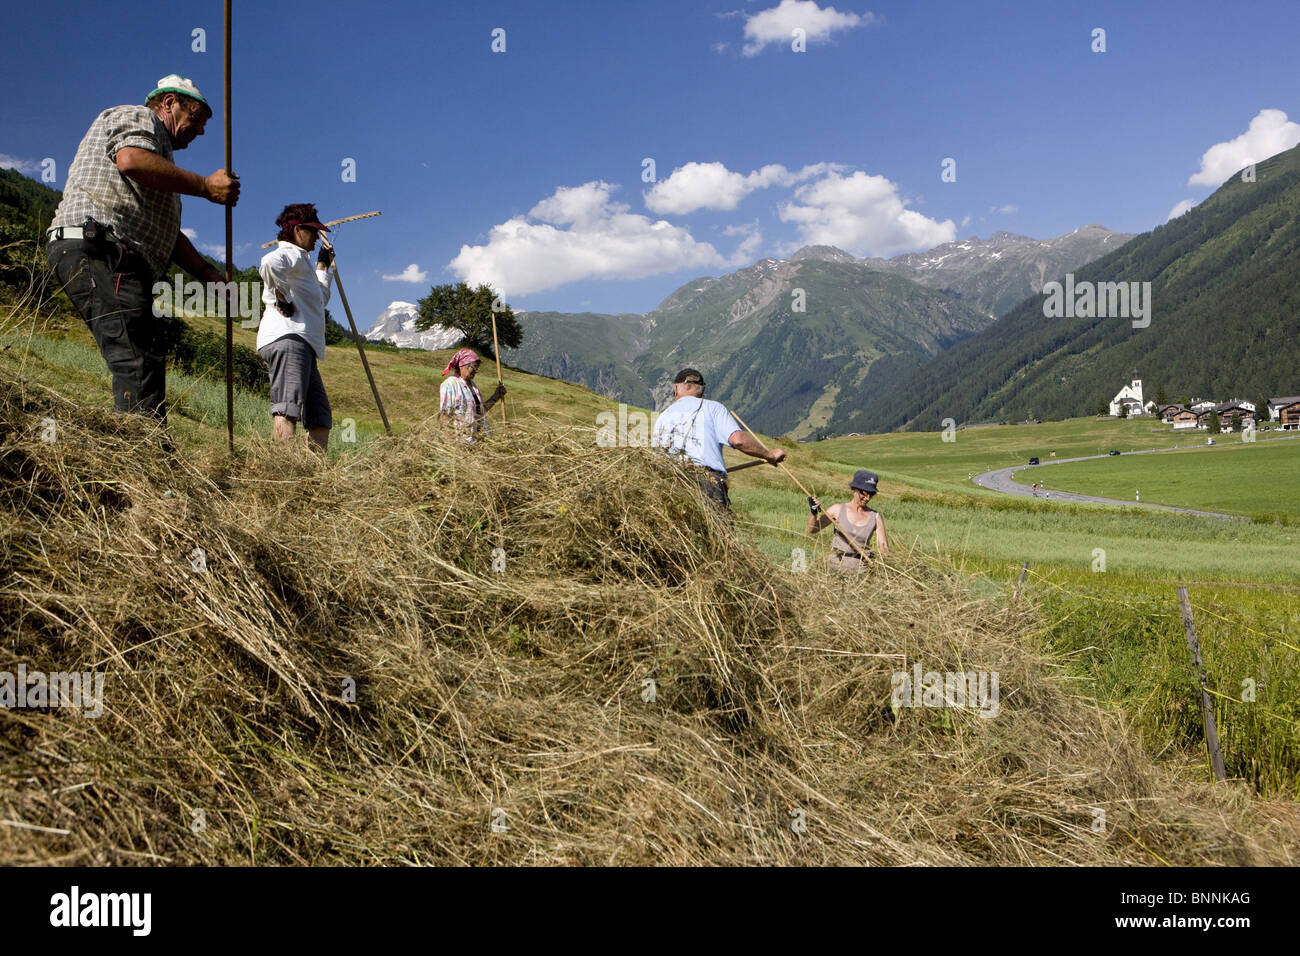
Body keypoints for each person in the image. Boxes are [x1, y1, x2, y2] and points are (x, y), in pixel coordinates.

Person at [45, 74, 240, 419]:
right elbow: (131, 160)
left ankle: (149, 451)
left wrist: (208, 275)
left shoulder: (162, 164)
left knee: (145, 354)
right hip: (103, 248)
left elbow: (170, 234)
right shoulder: (139, 117)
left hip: (116, 254)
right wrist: (207, 187)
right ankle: (142, 456)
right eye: (195, 120)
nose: (201, 131)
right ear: (168, 104)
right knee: (136, 359)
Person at [650, 367, 785, 510]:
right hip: (707, 484)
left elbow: (658, 460)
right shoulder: (713, 408)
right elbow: (738, 440)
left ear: (676, 389)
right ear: (702, 390)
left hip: (672, 487)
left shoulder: (663, 416)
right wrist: (769, 454)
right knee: (720, 531)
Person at [257, 204, 335, 450]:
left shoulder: (303, 263)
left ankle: (313, 476)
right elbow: (269, 263)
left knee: (320, 416)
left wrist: (323, 266)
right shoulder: (289, 253)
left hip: (304, 343)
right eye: (312, 232)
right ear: (298, 230)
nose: (315, 238)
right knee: (288, 407)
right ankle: (282, 471)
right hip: (289, 336)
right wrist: (283, 299)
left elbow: (320, 299)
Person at [807, 470, 889, 571]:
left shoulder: (875, 517)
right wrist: (813, 512)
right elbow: (812, 529)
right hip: (835, 567)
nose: (867, 498)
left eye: (871, 494)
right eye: (864, 493)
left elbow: (883, 546)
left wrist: (884, 569)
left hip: (861, 572)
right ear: (853, 489)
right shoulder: (837, 509)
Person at [439, 348, 506, 443]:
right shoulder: (450, 384)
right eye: (474, 367)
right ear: (462, 365)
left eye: (477, 368)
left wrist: (497, 395)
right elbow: (445, 416)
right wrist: (449, 443)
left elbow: (480, 411)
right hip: (461, 441)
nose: (476, 371)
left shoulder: (473, 386)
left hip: (477, 440)